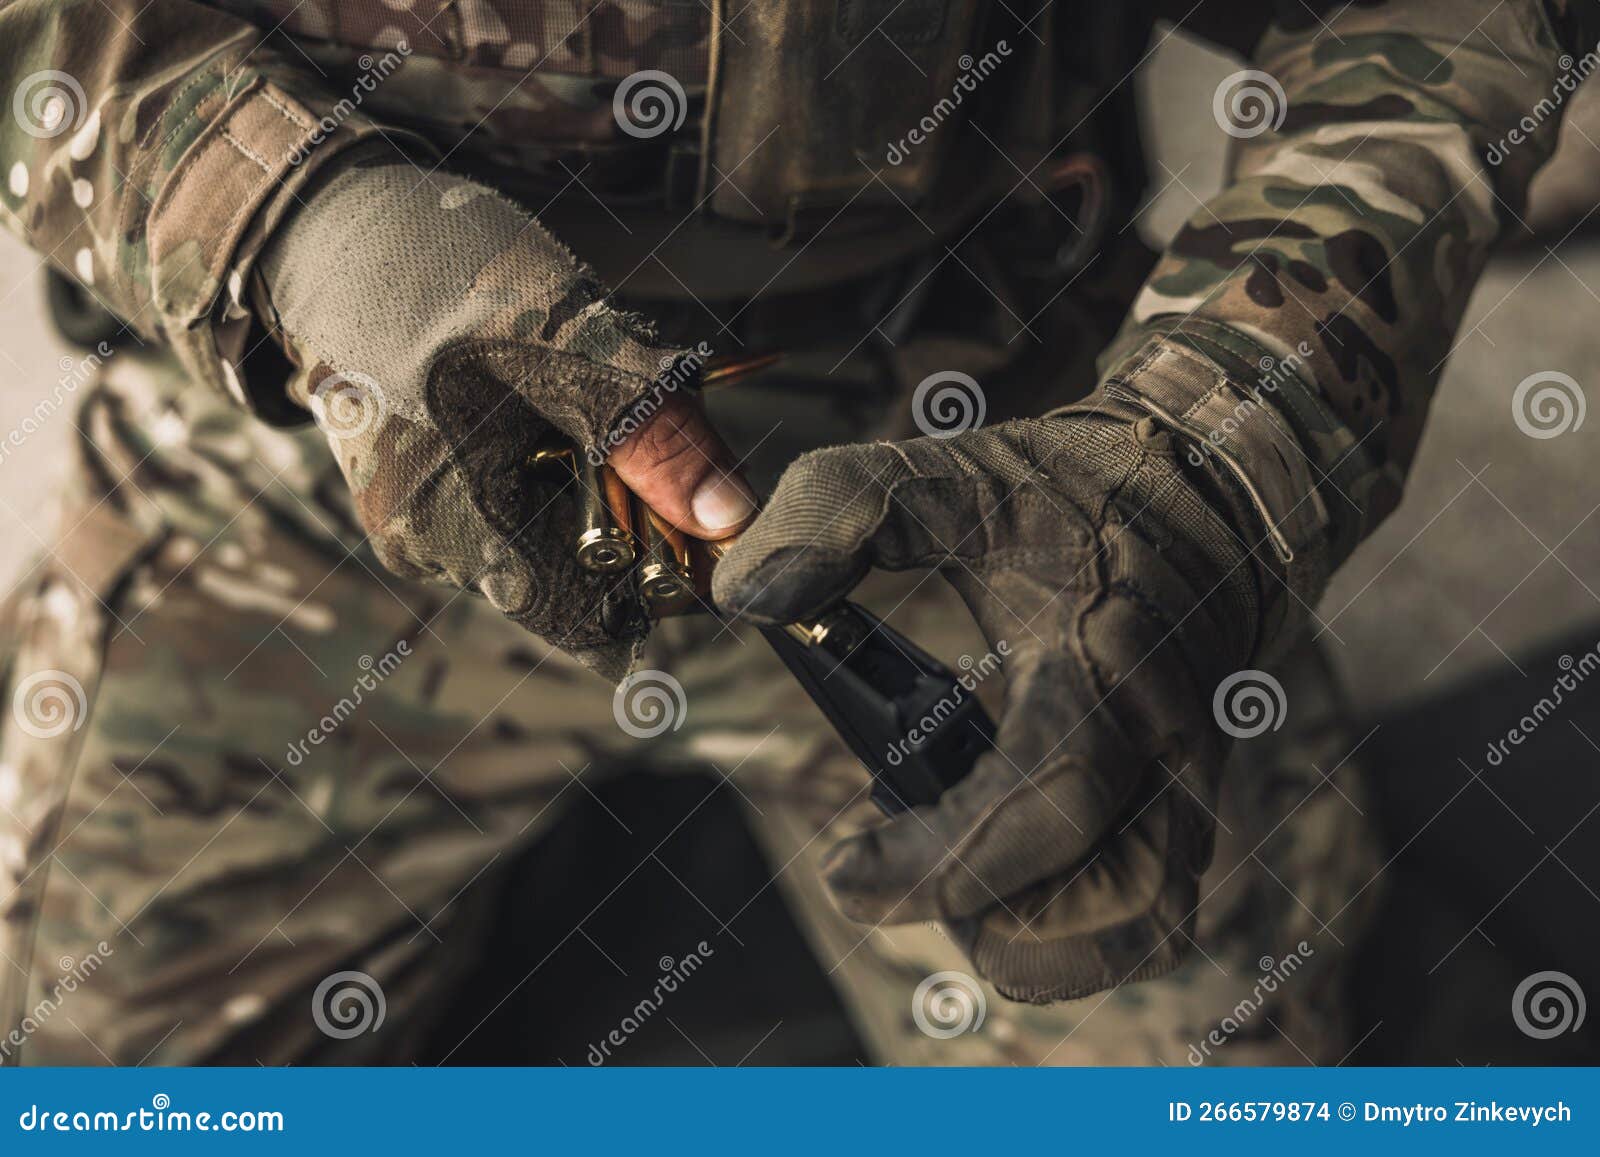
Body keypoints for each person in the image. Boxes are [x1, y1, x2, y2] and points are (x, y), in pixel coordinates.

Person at [0, 0, 1586, 1064]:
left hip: (997, 465)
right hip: (312, 443)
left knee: (1217, 1090)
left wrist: (1207, 462)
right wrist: (304, 235)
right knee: (81, 1077)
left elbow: (1447, 20)